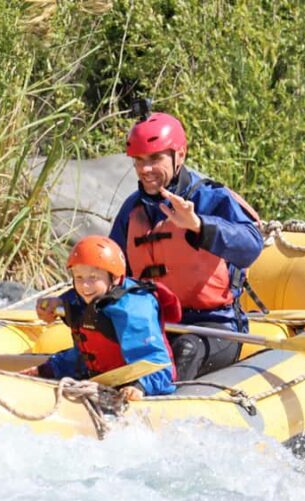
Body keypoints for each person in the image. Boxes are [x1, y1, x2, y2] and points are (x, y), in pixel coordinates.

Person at [108, 107, 264, 380]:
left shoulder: (212, 198)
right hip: (155, 324)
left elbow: (251, 246)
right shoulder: (133, 209)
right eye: (139, 160)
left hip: (213, 328)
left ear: (180, 154)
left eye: (155, 158)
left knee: (186, 349)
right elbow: (109, 269)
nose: (145, 169)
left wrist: (198, 225)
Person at [22, 236, 179, 401]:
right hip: (102, 377)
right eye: (79, 278)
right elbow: (85, 354)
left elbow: (157, 364)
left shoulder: (133, 310)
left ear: (115, 278)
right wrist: (50, 369)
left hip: (145, 382)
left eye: (93, 278)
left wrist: (139, 386)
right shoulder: (81, 299)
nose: (85, 286)